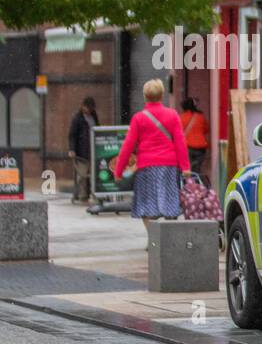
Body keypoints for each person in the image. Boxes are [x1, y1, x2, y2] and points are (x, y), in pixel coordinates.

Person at [113, 79, 190, 239]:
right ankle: (168, 239)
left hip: (146, 167)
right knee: (170, 202)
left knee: (146, 205)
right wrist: (185, 167)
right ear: (162, 95)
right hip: (169, 166)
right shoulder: (172, 115)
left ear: (145, 96)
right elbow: (180, 142)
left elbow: (128, 146)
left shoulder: (139, 118)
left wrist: (119, 170)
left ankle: (154, 238)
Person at [66, 96, 99, 203]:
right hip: (81, 151)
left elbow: (97, 129)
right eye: (87, 108)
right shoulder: (77, 118)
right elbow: (72, 135)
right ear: (83, 106)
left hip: (93, 150)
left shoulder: (94, 116)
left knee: (92, 174)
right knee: (82, 175)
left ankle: (90, 193)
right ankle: (82, 195)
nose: (88, 111)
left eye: (90, 109)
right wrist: (72, 149)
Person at [180, 97, 210, 175]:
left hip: (188, 147)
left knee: (187, 169)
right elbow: (206, 130)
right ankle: (196, 184)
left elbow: (178, 132)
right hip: (201, 148)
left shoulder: (182, 117)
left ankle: (189, 185)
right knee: (197, 169)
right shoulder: (200, 117)